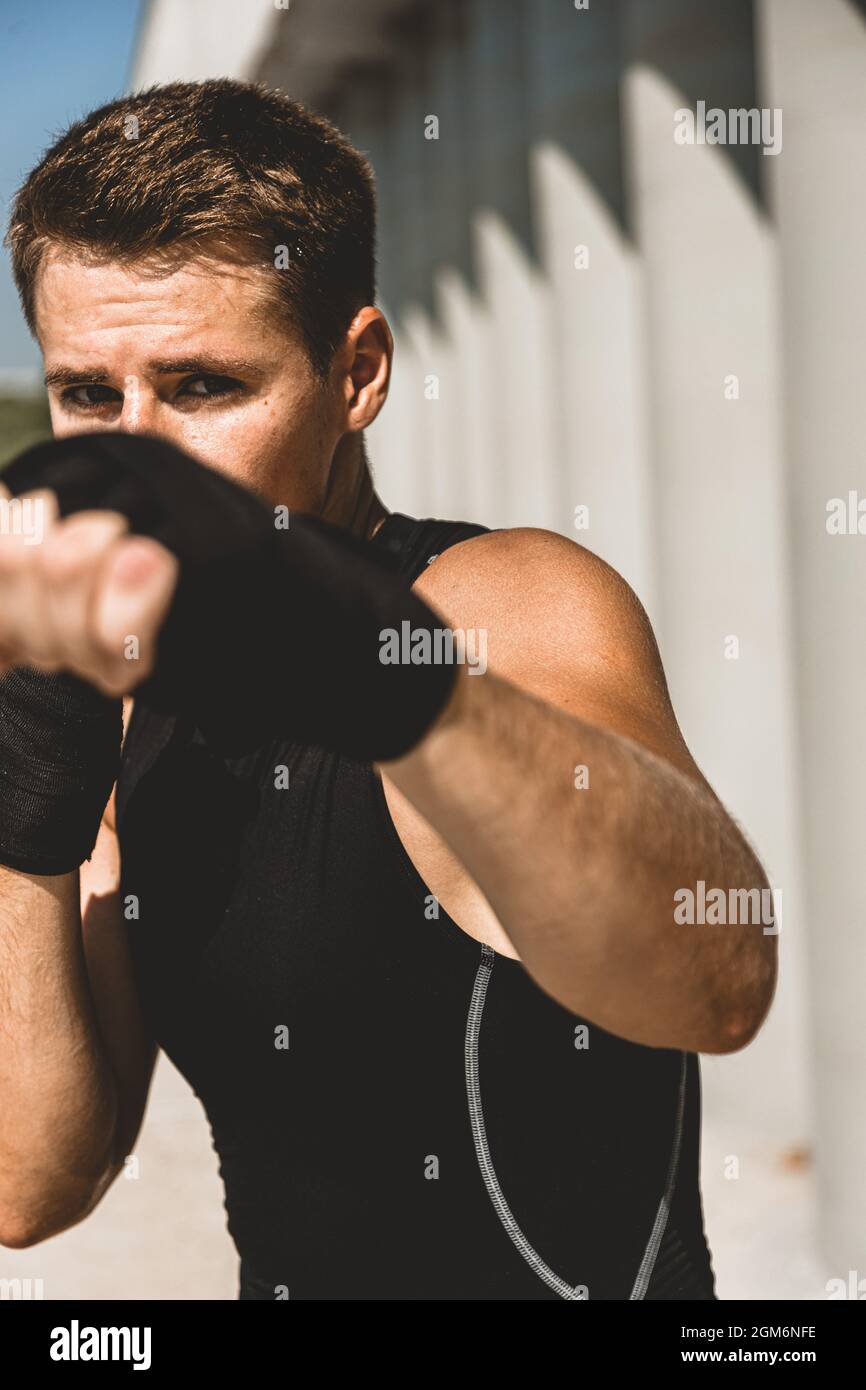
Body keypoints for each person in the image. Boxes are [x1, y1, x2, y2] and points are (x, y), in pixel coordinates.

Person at [0, 79, 775, 1300]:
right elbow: (30, 1183)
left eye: (204, 386)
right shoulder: (132, 706)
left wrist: (366, 666)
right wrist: (28, 805)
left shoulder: (503, 602)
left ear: (355, 372)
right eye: (89, 394)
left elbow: (717, 978)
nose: (133, 454)